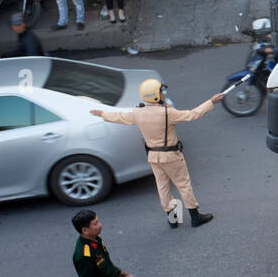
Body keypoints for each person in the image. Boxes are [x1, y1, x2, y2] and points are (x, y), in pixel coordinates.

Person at [89, 79, 225, 229]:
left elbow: (120, 117)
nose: (163, 94)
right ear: (155, 96)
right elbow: (192, 114)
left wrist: (102, 113)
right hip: (171, 155)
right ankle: (195, 217)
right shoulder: (168, 113)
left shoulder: (138, 113)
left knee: (163, 187)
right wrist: (211, 102)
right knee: (183, 185)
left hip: (153, 157)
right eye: (160, 92)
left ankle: (173, 219)